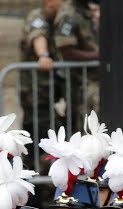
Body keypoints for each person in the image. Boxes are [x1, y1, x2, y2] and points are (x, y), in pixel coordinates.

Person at [17, 0, 64, 142]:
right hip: (34, 89)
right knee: (50, 132)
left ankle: (29, 163)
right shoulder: (37, 16)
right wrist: (43, 55)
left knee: (31, 131)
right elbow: (38, 36)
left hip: (46, 88)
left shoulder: (56, 19)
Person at [52, 0, 98, 136]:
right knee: (85, 132)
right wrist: (98, 56)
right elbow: (67, 51)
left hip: (93, 81)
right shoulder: (69, 14)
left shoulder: (84, 11)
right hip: (80, 84)